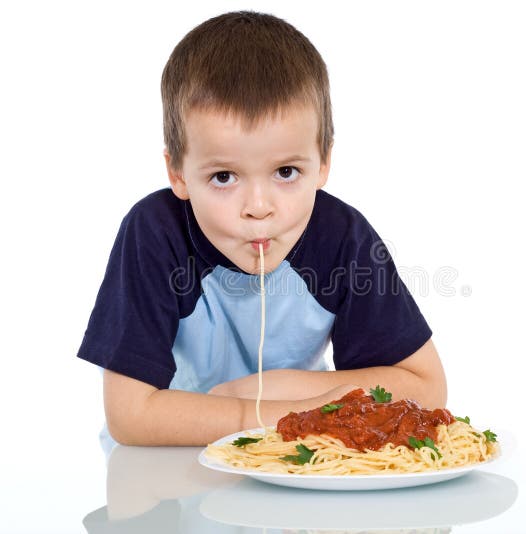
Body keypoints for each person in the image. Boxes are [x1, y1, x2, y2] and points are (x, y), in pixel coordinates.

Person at [77, 10, 447, 450]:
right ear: (178, 172)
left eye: (286, 171)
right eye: (223, 177)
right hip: (165, 474)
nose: (258, 208)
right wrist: (282, 413)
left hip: (290, 475)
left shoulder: (342, 238)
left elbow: (427, 389)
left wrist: (268, 387)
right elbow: (131, 417)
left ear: (323, 161)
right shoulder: (153, 233)